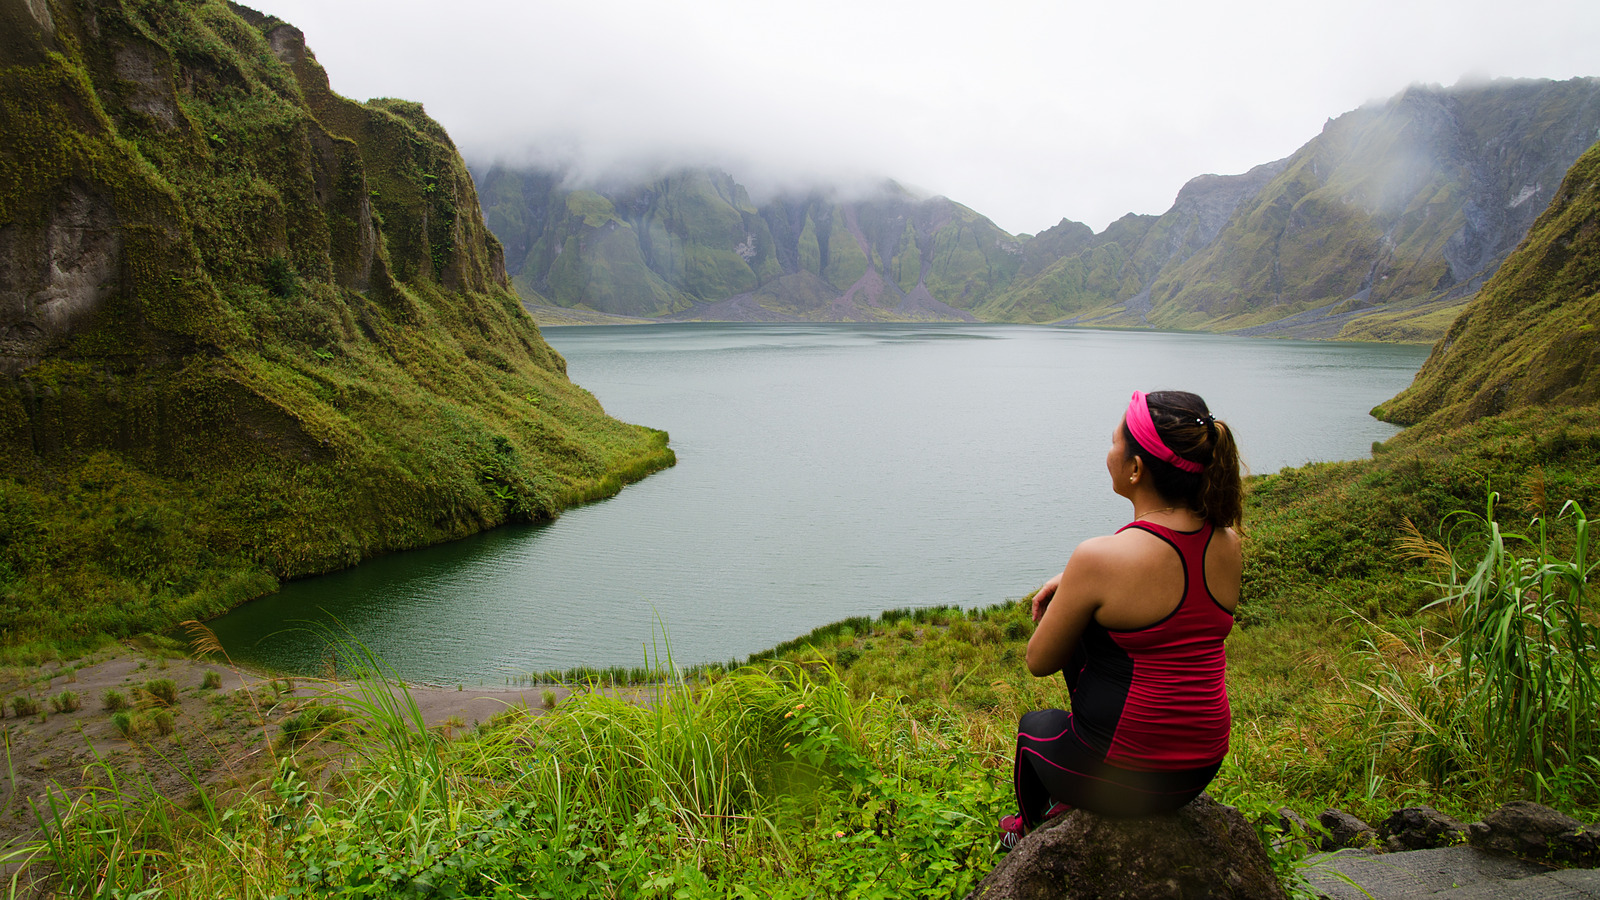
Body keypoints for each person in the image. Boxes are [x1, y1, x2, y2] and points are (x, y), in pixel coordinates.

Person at [1000, 389, 1244, 848]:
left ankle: (1026, 831)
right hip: (1201, 767)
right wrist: (1074, 582)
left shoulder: (1099, 559)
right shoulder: (1228, 542)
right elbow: (1166, 584)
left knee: (1034, 729)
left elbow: (1038, 661)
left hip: (1129, 777)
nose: (1108, 451)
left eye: (1114, 441)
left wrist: (1072, 587)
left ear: (1135, 469)